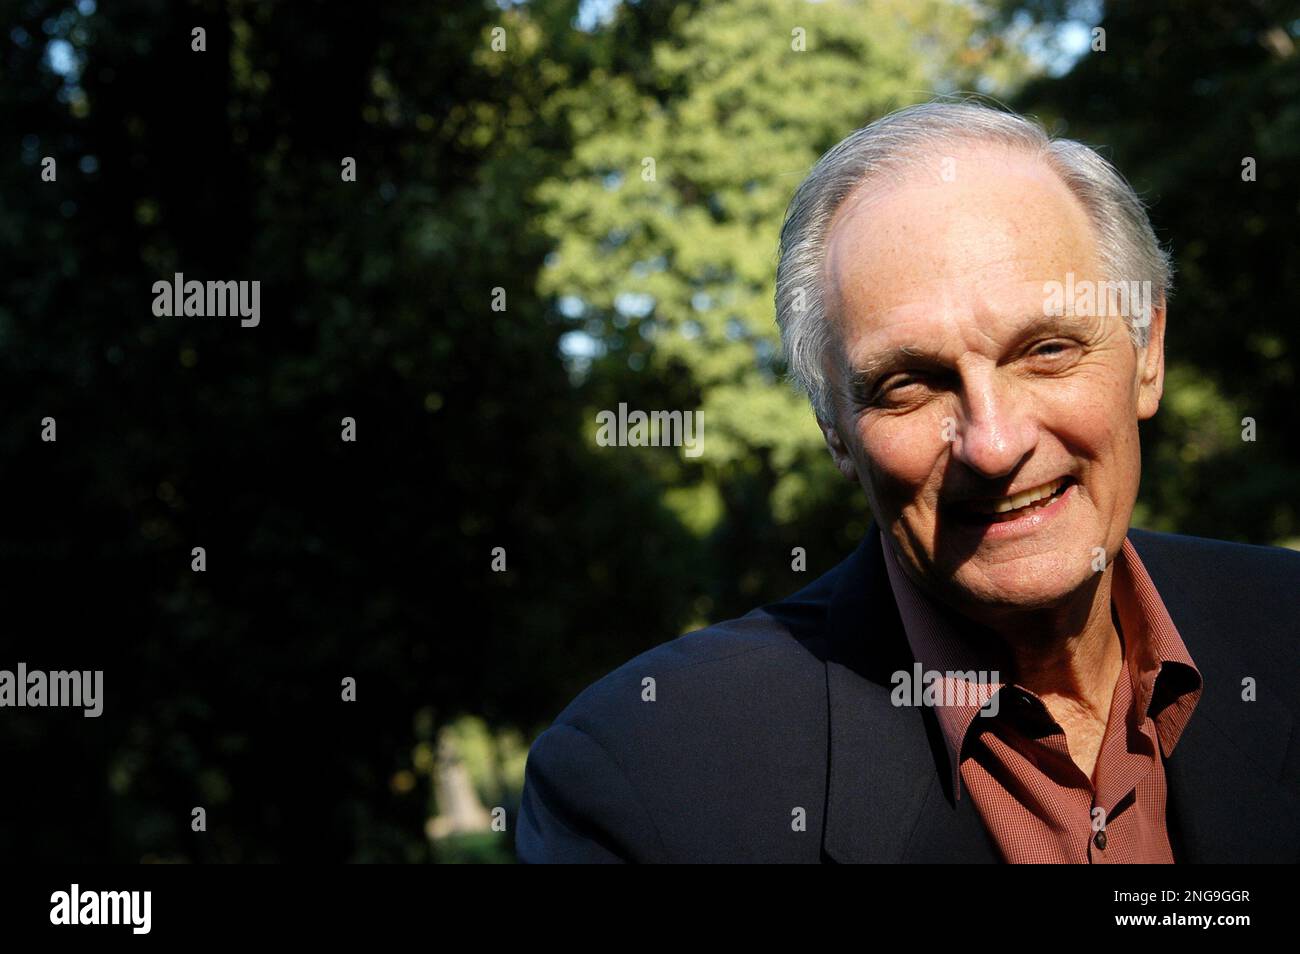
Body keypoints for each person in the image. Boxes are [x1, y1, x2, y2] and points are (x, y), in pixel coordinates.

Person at [515, 101, 1300, 863]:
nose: (994, 444)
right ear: (836, 433)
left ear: (1148, 351)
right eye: (908, 384)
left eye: (1047, 350)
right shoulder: (653, 781)